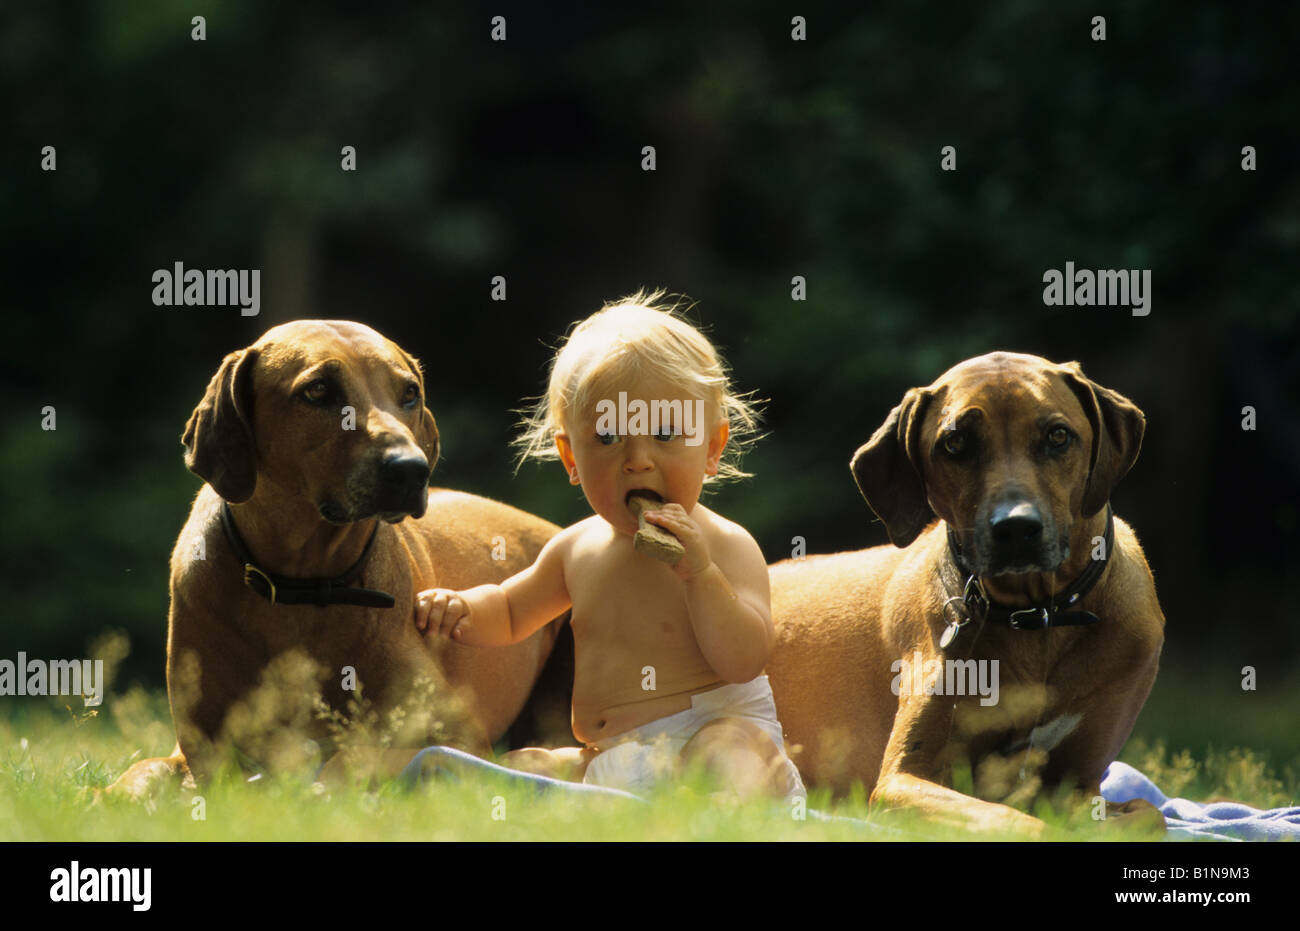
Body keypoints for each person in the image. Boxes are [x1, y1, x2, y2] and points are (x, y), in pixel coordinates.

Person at [415, 291, 805, 800]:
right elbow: (512, 611)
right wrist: (461, 609)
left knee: (726, 751)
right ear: (570, 456)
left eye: (664, 433)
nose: (637, 459)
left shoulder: (726, 546)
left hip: (712, 737)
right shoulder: (576, 550)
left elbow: (744, 660)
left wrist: (700, 575)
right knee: (525, 765)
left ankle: (725, 823)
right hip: (609, 762)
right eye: (607, 437)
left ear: (711, 448)